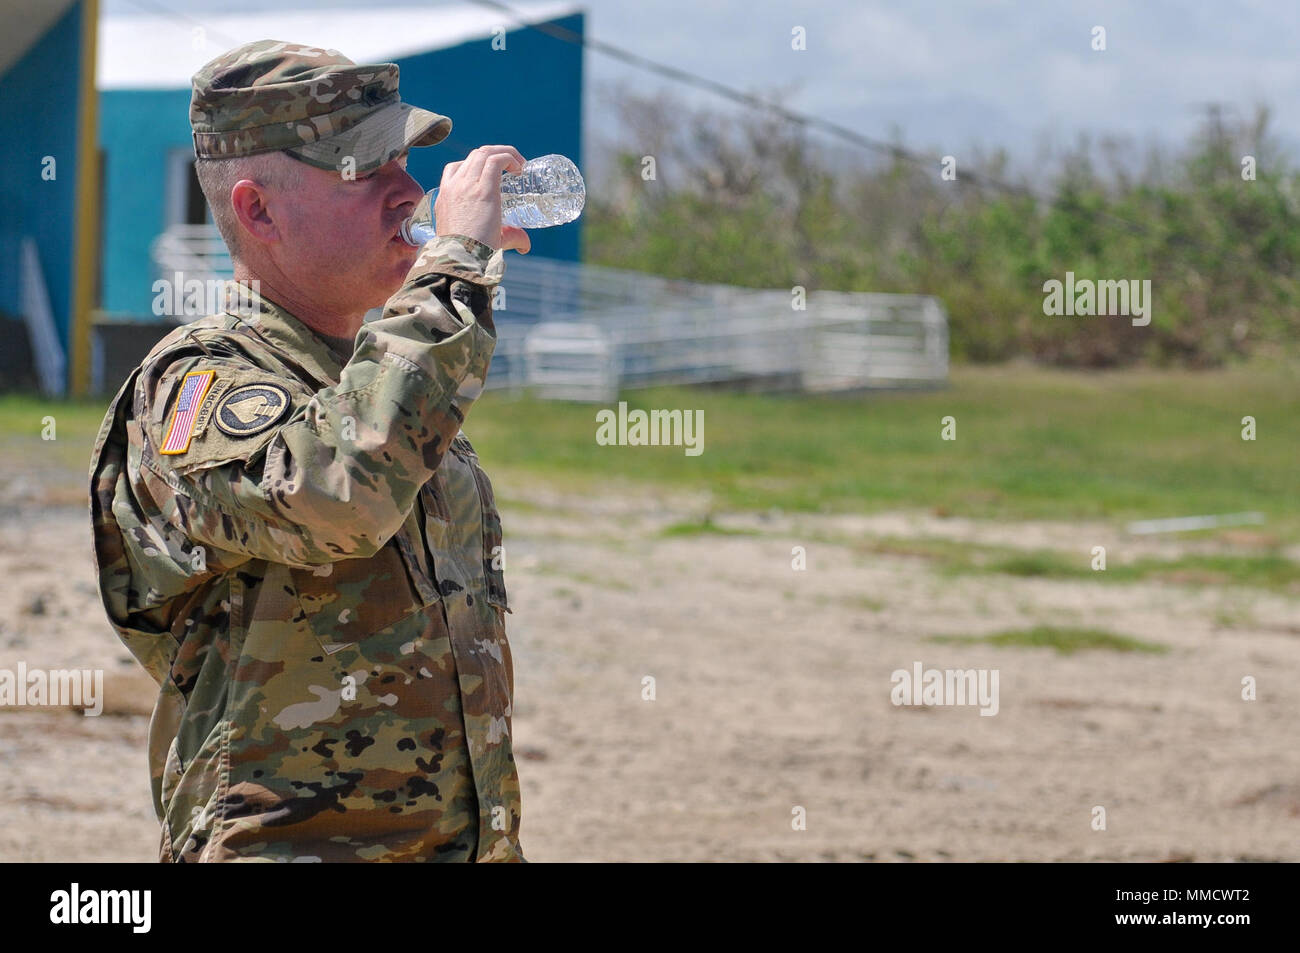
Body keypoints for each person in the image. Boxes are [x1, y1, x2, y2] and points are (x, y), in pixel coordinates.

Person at [89, 39, 531, 862]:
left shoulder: (375, 370)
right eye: (366, 170)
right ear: (258, 212)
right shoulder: (196, 385)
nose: (409, 191)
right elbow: (340, 495)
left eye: (403, 160)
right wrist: (454, 273)